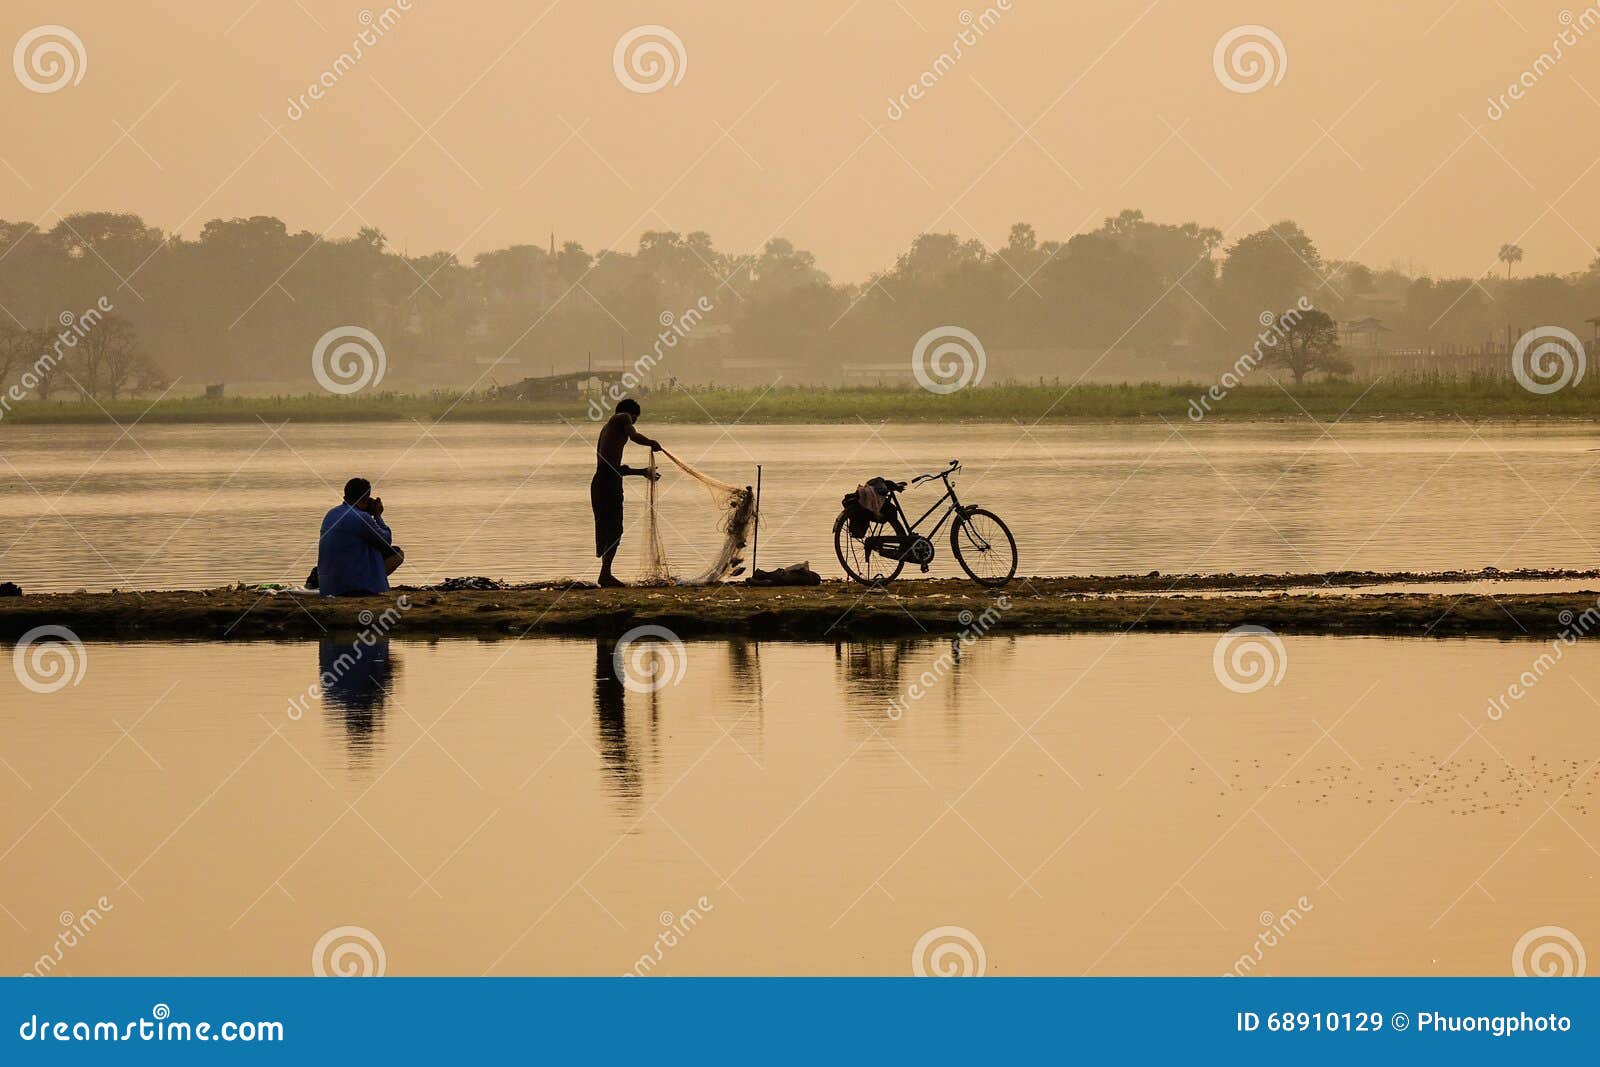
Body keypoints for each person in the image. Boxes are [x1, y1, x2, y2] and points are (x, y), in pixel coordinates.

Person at [591, 398, 661, 587]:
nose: (634, 422)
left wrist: (643, 472)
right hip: (606, 483)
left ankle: (605, 573)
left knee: (612, 529)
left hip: (605, 481)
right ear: (630, 414)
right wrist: (650, 442)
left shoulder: (609, 429)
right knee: (613, 529)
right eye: (635, 418)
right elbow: (635, 436)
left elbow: (616, 468)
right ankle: (605, 575)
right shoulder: (621, 418)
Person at [317, 477, 404, 597]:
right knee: (397, 554)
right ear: (367, 498)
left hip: (328, 587)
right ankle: (370, 585)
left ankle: (367, 581)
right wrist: (378, 516)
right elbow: (386, 541)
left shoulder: (331, 513)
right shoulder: (362, 518)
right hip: (349, 589)